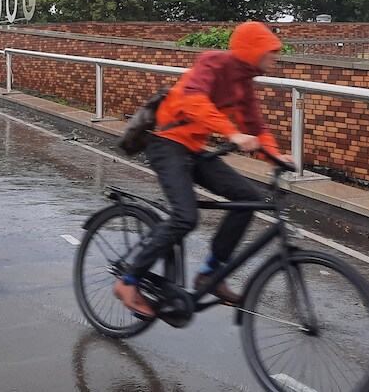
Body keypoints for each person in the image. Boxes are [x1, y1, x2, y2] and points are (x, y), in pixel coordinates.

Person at [114, 21, 294, 318]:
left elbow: (256, 127)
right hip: (165, 143)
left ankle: (210, 274)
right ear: (254, 49)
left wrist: (277, 157)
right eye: (271, 51)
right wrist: (232, 134)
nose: (275, 57)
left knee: (246, 198)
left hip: (193, 149)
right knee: (185, 217)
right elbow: (194, 100)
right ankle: (129, 280)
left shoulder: (244, 83)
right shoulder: (214, 62)